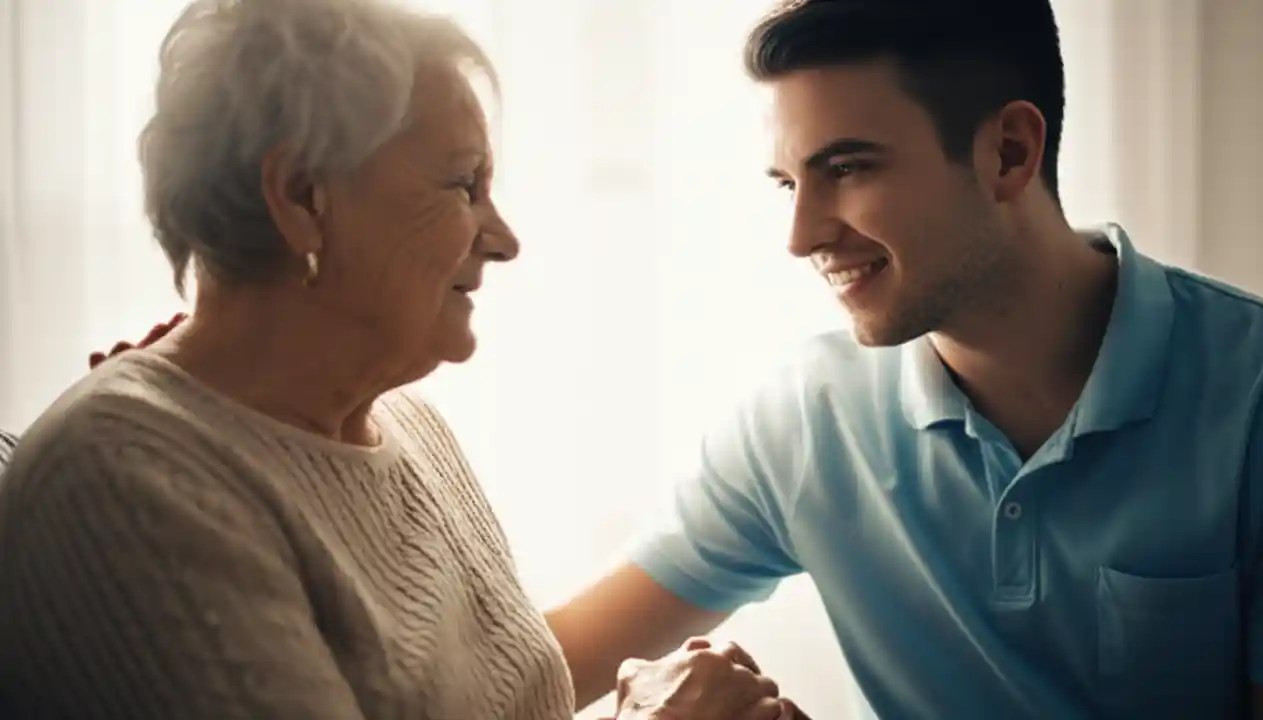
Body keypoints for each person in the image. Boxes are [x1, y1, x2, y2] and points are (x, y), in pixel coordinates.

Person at [0, 1, 801, 718]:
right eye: (465, 185)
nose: (505, 239)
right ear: (303, 197)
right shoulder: (127, 478)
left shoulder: (410, 429)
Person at [540, 0, 1263, 718]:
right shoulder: (807, 420)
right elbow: (542, 671)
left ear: (1009, 152)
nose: (800, 236)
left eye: (848, 168)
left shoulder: (1262, 396)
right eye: (789, 183)